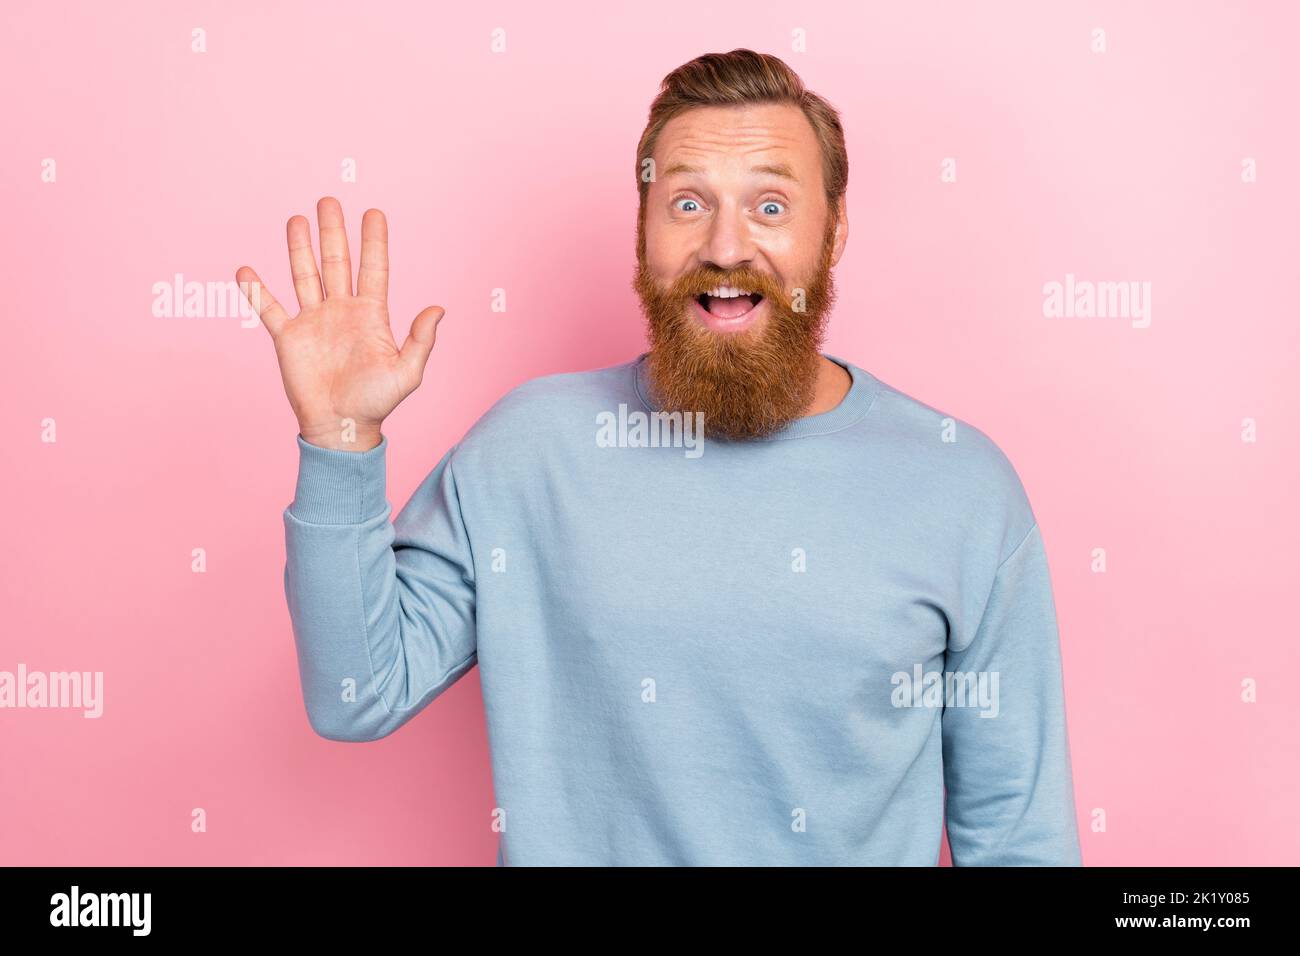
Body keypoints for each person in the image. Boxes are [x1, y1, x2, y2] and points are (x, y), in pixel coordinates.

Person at [236, 49, 1082, 866]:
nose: (724, 246)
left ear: (835, 234)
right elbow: (357, 695)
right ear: (642, 231)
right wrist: (341, 439)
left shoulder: (960, 488)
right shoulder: (529, 454)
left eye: (772, 207)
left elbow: (1019, 842)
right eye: (686, 204)